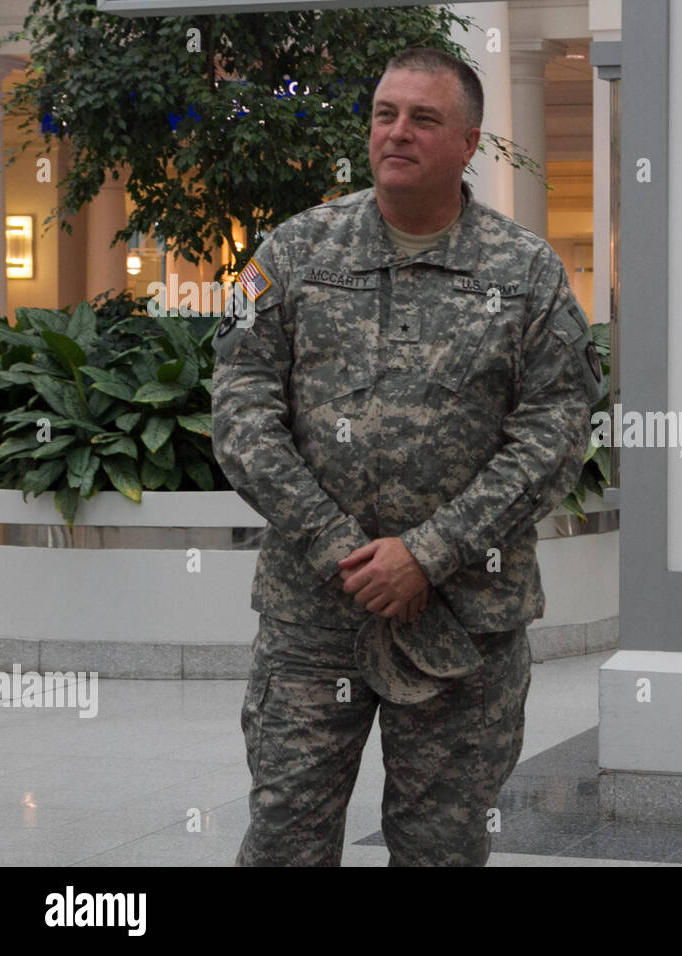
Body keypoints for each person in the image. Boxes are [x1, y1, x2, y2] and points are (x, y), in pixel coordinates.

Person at [211, 48, 599, 866]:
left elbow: (556, 431)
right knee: (284, 840)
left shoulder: (526, 275)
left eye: (424, 119)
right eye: (386, 114)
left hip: (462, 624)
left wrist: (429, 553)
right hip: (313, 621)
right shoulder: (291, 253)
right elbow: (240, 411)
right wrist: (333, 543)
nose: (398, 133)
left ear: (469, 143)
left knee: (439, 850)